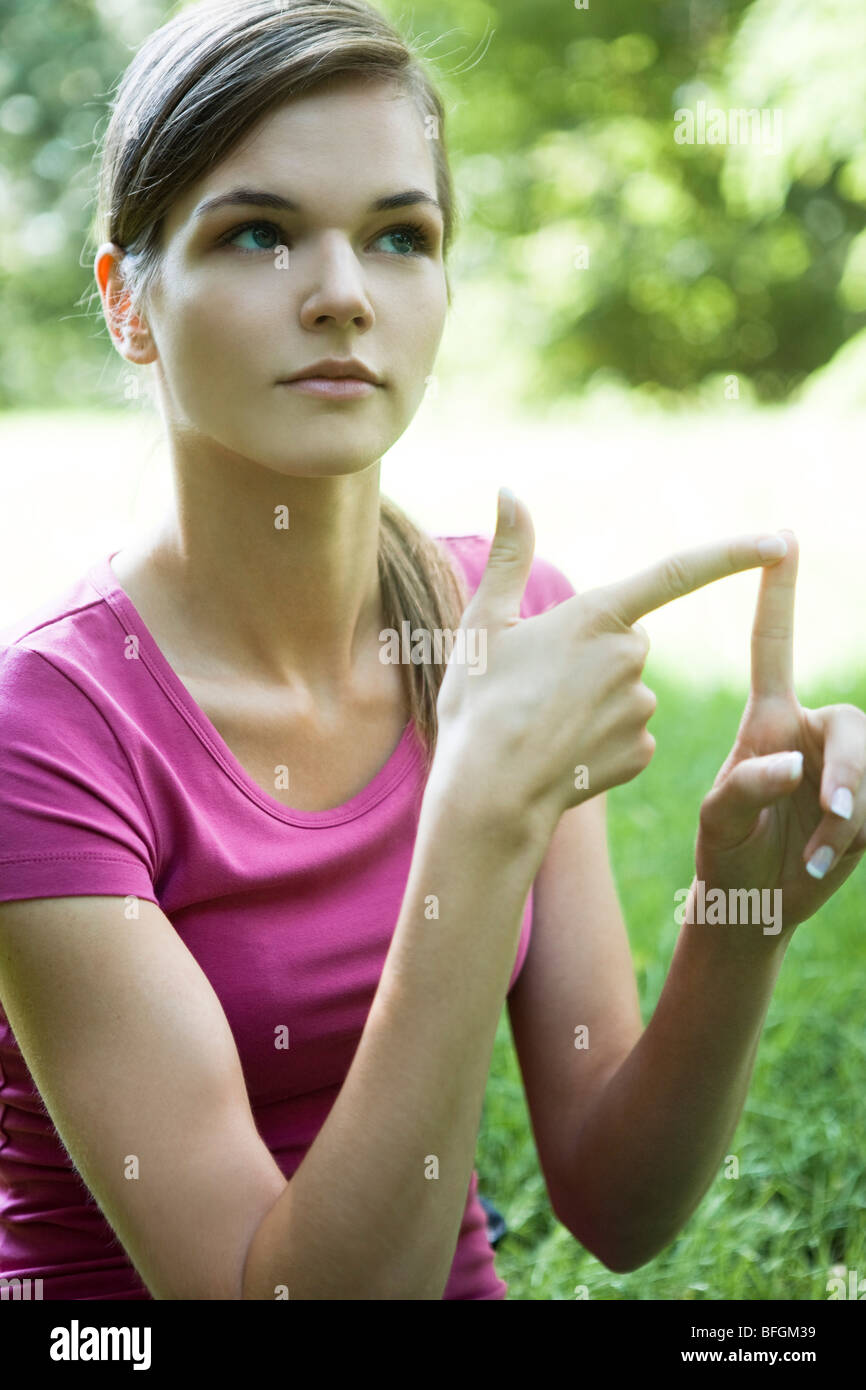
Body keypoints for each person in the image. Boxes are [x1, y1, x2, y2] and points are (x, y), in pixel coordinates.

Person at [0, 0, 864, 1302]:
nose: (343, 293)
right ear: (130, 303)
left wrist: (738, 915)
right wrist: (474, 811)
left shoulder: (500, 633)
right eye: (259, 232)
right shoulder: (45, 734)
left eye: (400, 236)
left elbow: (615, 1200)